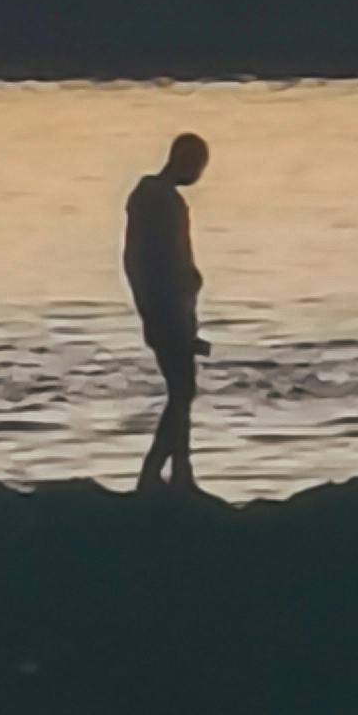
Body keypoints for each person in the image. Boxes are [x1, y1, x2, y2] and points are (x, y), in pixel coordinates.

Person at [124, 131, 211, 491]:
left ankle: (177, 470)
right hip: (167, 309)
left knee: (182, 390)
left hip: (170, 308)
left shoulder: (156, 199)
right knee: (182, 390)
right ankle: (160, 471)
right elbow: (153, 261)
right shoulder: (160, 201)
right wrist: (163, 312)